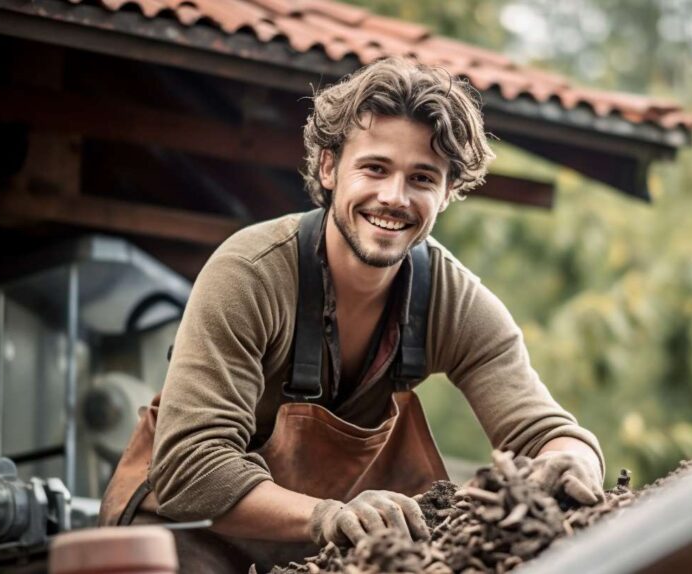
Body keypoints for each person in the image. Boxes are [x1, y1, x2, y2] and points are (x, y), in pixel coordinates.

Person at [98, 57, 604, 571]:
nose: (394, 197)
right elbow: (192, 472)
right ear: (328, 167)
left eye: (422, 178)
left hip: (320, 547)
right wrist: (326, 517)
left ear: (447, 194)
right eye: (375, 168)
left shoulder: (454, 302)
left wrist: (571, 461)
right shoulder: (249, 273)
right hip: (182, 532)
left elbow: (545, 432)